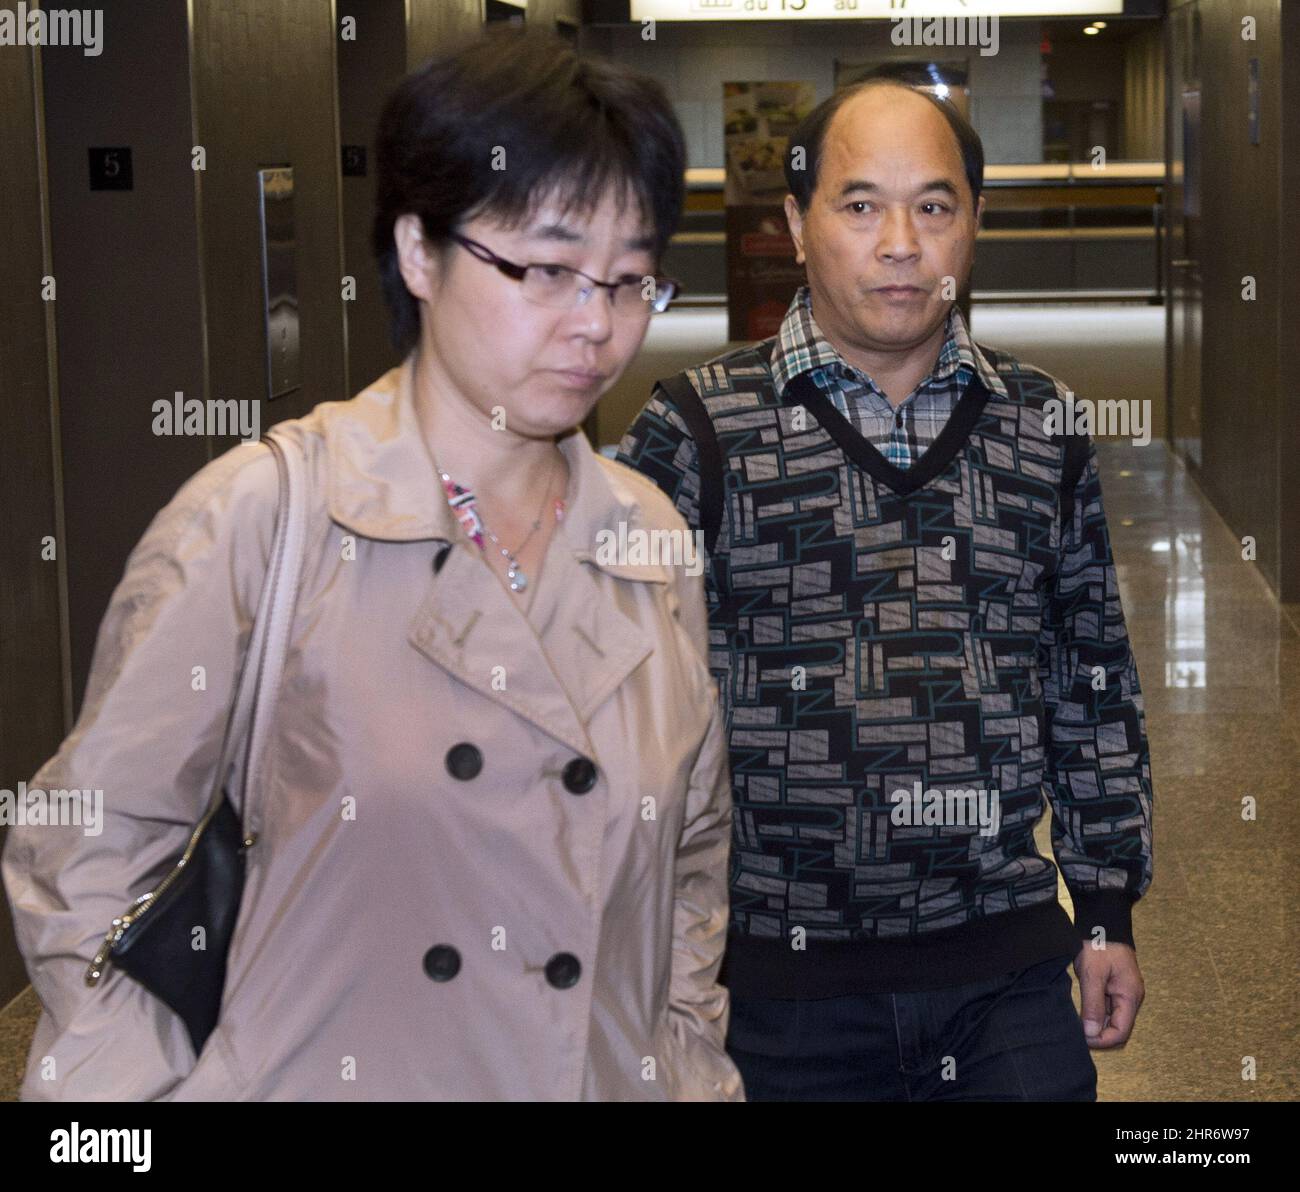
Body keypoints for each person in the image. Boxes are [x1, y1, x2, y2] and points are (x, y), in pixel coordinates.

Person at [3, 27, 743, 1102]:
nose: (596, 325)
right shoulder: (262, 516)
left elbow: (689, 861)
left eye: (630, 281)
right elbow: (80, 856)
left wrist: (681, 1066)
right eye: (545, 267)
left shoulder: (645, 533)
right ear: (416, 251)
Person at [617, 78, 1153, 1101]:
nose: (900, 242)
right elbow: (626, 722)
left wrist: (1104, 909)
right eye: (859, 205)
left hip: (1005, 976)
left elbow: (1089, 684)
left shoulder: (1040, 425)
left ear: (975, 223)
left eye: (934, 205)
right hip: (775, 990)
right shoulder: (696, 433)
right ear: (795, 222)